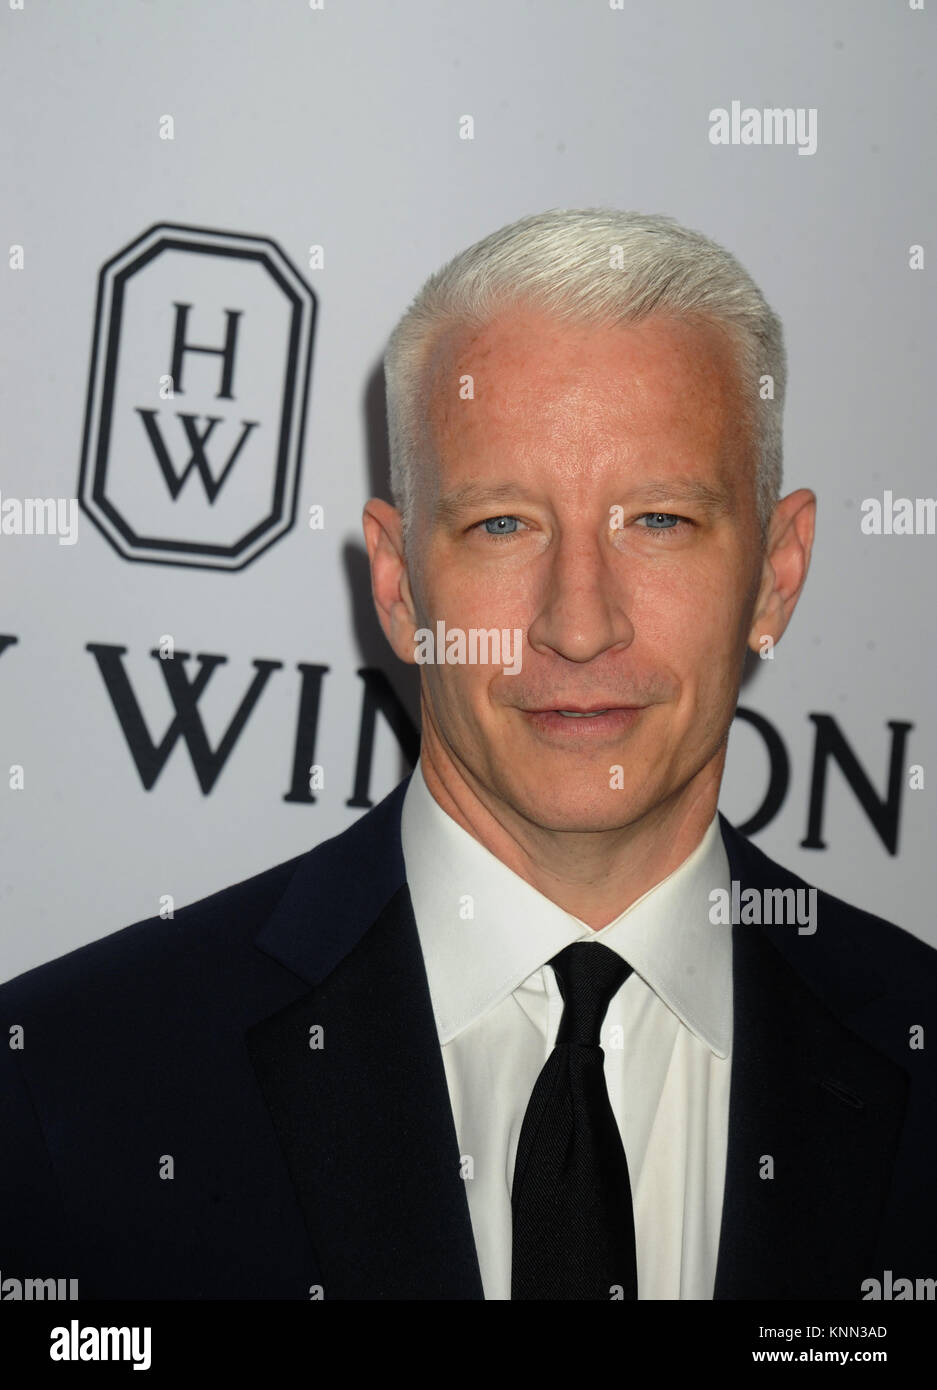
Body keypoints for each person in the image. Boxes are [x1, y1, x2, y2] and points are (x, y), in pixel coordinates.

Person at [2, 208, 935, 1301]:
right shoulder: (70, 1087)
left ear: (776, 577)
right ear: (399, 587)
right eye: (502, 525)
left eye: (661, 521)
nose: (578, 624)